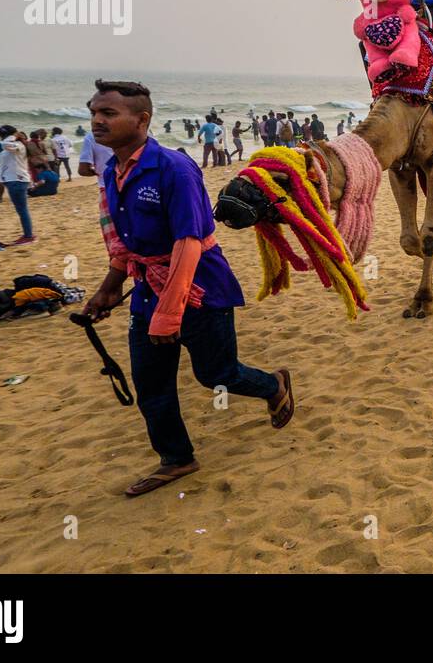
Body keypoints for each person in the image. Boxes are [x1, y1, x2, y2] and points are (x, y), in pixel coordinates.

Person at [80, 79, 294, 497]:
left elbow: (188, 242)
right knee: (150, 383)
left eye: (108, 114)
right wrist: (109, 288)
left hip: (201, 290)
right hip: (148, 289)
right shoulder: (112, 170)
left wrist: (170, 313)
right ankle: (177, 458)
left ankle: (275, 385)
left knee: (216, 374)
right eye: (94, 113)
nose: (97, 121)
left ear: (141, 120)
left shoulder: (174, 169)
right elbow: (126, 243)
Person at [0, 126, 35, 244]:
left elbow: (5, 145)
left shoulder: (17, 145)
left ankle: (28, 235)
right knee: (21, 209)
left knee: (22, 210)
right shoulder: (15, 147)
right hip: (13, 180)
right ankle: (28, 234)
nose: (1, 137)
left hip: (17, 180)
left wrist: (14, 135)